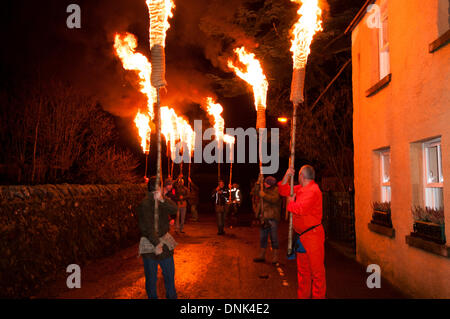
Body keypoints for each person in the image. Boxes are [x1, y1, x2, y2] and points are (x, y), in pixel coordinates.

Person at [278, 165, 325, 299]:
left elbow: (301, 209)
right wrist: (287, 175)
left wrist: (290, 203)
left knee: (317, 274)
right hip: (302, 238)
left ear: (301, 176)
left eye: (298, 175)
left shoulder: (313, 190)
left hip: (313, 236)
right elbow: (283, 190)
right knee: (303, 273)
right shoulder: (301, 188)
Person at [137, 176, 178, 299]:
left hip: (159, 244)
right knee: (155, 279)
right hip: (153, 245)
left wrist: (163, 199)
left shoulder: (160, 200)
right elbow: (148, 227)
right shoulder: (145, 204)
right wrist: (157, 243)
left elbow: (174, 209)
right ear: (158, 188)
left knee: (163, 278)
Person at [252, 176, 281, 265]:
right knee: (263, 238)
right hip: (264, 217)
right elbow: (255, 192)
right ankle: (262, 255)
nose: (264, 184)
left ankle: (275, 256)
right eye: (264, 182)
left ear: (271, 184)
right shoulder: (263, 189)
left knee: (274, 238)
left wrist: (264, 195)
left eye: (266, 182)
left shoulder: (276, 190)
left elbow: (274, 199)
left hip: (272, 218)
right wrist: (258, 182)